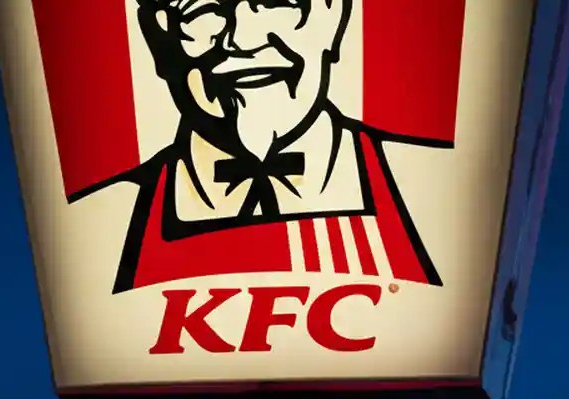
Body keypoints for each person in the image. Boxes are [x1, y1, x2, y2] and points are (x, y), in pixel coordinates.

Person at [98, 0, 444, 294]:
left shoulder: (429, 183)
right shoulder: (105, 215)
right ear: (160, 42)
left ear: (333, 18)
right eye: (205, 9)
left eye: (278, 2)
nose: (242, 40)